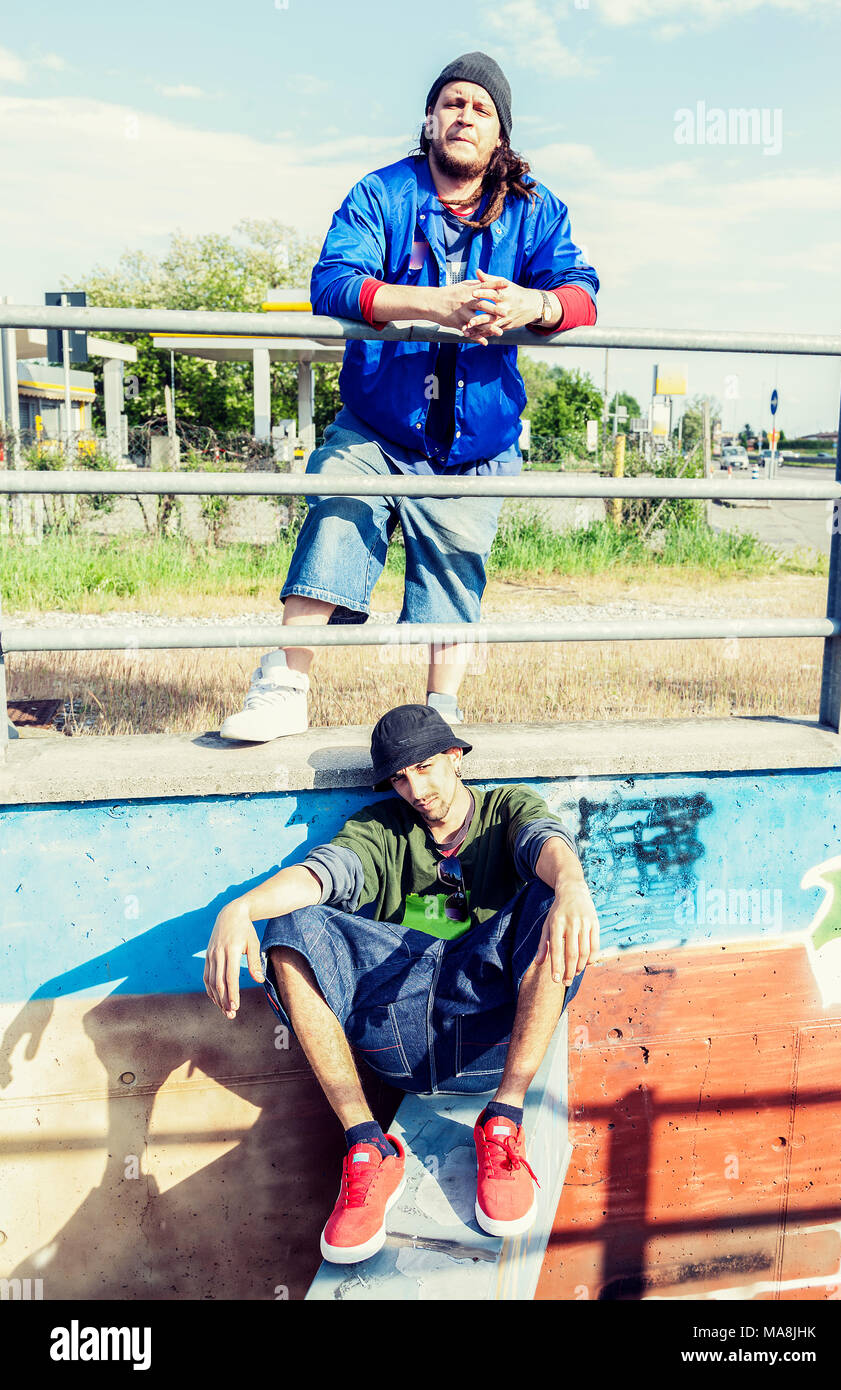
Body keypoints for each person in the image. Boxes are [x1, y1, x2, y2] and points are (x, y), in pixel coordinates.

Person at [219, 50, 598, 743]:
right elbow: (333, 283)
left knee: (456, 575)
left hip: (476, 443)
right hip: (379, 424)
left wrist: (532, 304)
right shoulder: (382, 193)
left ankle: (439, 717)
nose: (465, 115)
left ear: (500, 135)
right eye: (453, 102)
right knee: (338, 510)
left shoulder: (536, 210)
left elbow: (582, 295)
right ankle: (283, 687)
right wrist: (436, 305)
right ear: (429, 119)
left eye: (481, 108)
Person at [204, 704, 601, 1264]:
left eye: (427, 767)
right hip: (396, 1032)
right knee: (291, 925)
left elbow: (545, 841)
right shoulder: (381, 829)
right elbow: (324, 872)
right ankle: (367, 1145)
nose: (416, 788)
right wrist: (240, 908)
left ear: (455, 758)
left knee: (550, 900)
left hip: (488, 1039)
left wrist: (574, 886)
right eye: (401, 777)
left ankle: (503, 1123)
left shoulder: (505, 809)